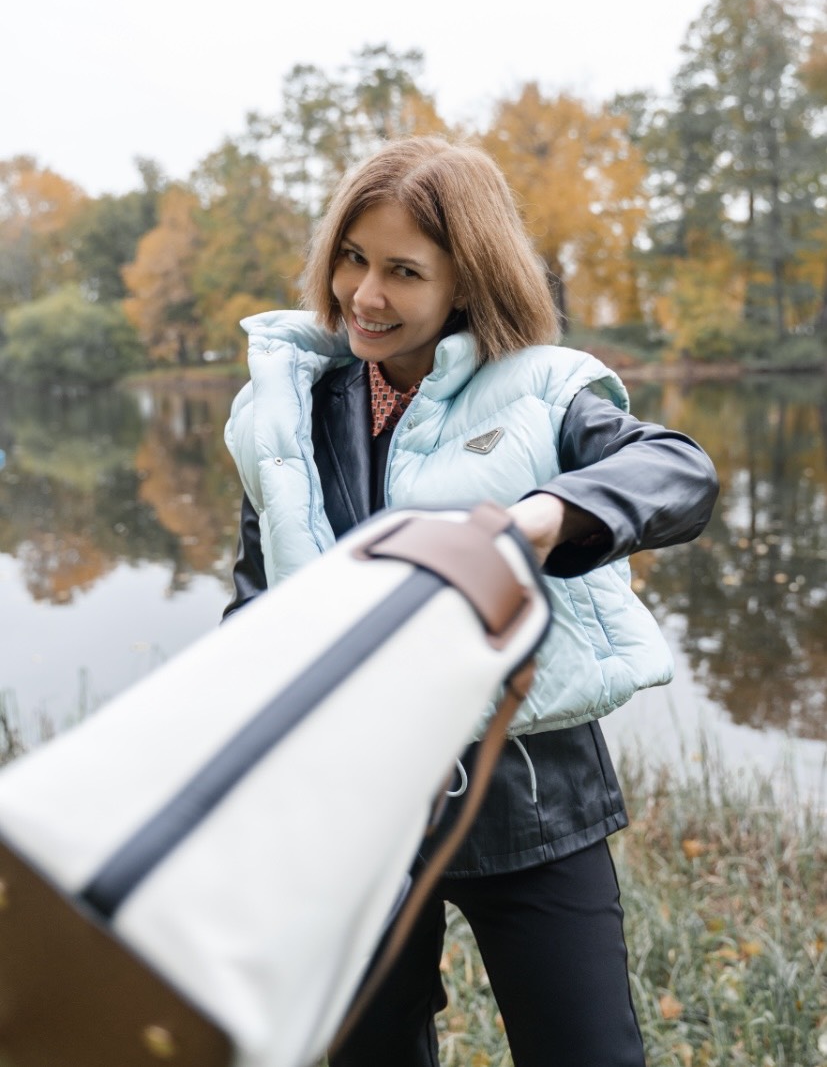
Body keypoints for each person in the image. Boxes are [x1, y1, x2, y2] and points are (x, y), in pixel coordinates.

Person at [222, 136, 719, 1067]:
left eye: (404, 271)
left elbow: (678, 472)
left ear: (467, 280)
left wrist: (543, 515)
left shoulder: (543, 386)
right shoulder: (284, 413)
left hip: (531, 796)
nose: (364, 295)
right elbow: (257, 607)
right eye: (352, 259)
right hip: (352, 812)